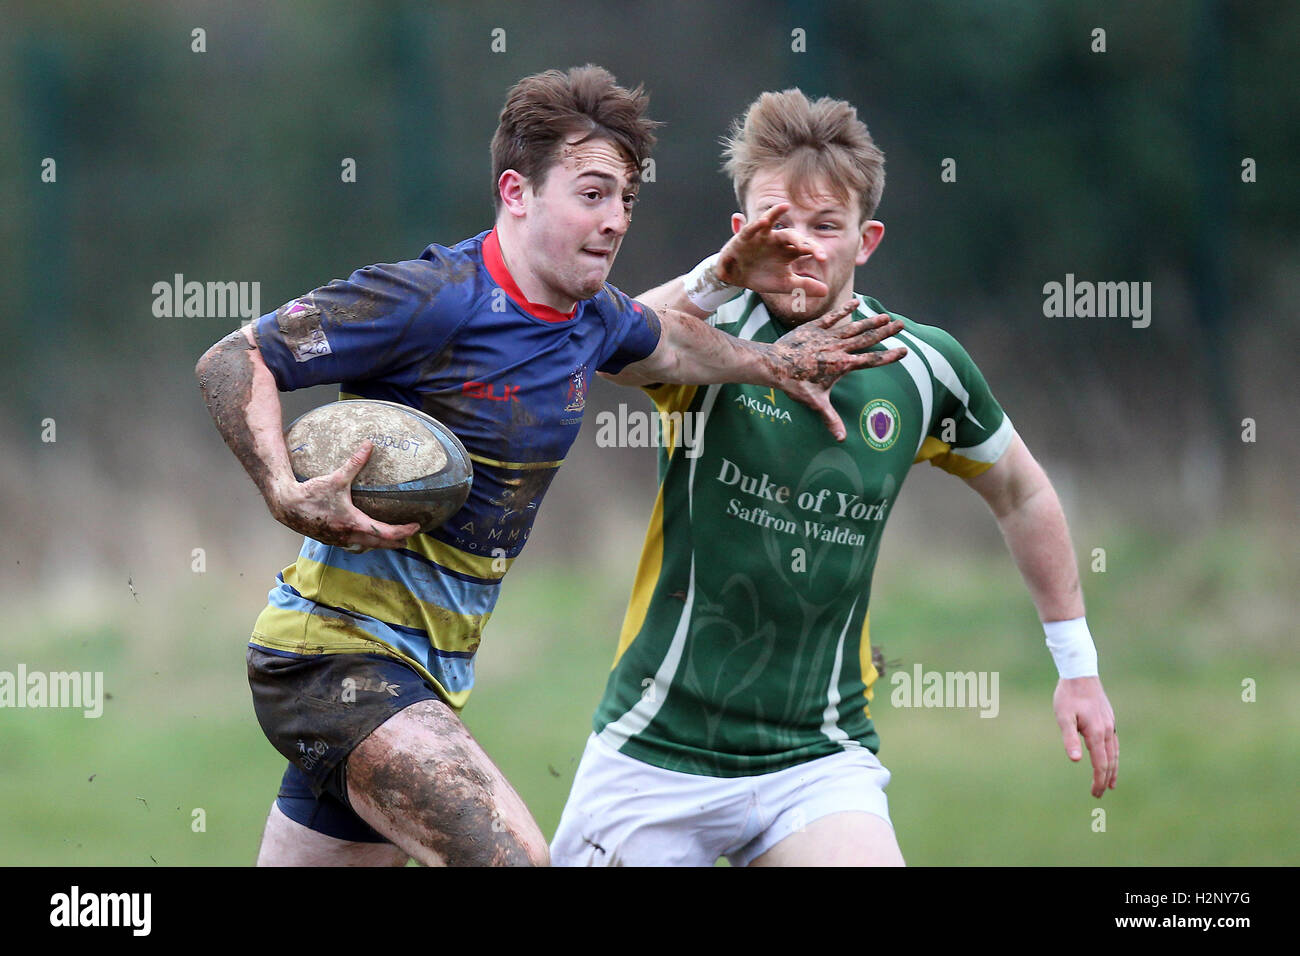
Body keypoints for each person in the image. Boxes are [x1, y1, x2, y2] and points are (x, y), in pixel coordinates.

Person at [194, 67, 906, 867]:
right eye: (592, 194)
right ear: (517, 192)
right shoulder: (432, 298)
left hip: (426, 675)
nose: (616, 219)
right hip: (334, 660)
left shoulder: (590, 318)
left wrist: (778, 361)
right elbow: (235, 357)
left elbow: (675, 344)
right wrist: (283, 490)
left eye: (627, 199)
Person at [551, 88, 1119, 867]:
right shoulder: (706, 335)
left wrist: (1078, 669)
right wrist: (717, 277)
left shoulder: (920, 367)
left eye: (826, 226)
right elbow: (600, 342)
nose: (802, 247)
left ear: (866, 238)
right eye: (778, 224)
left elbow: (1022, 493)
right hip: (655, 750)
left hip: (815, 761)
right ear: (742, 230)